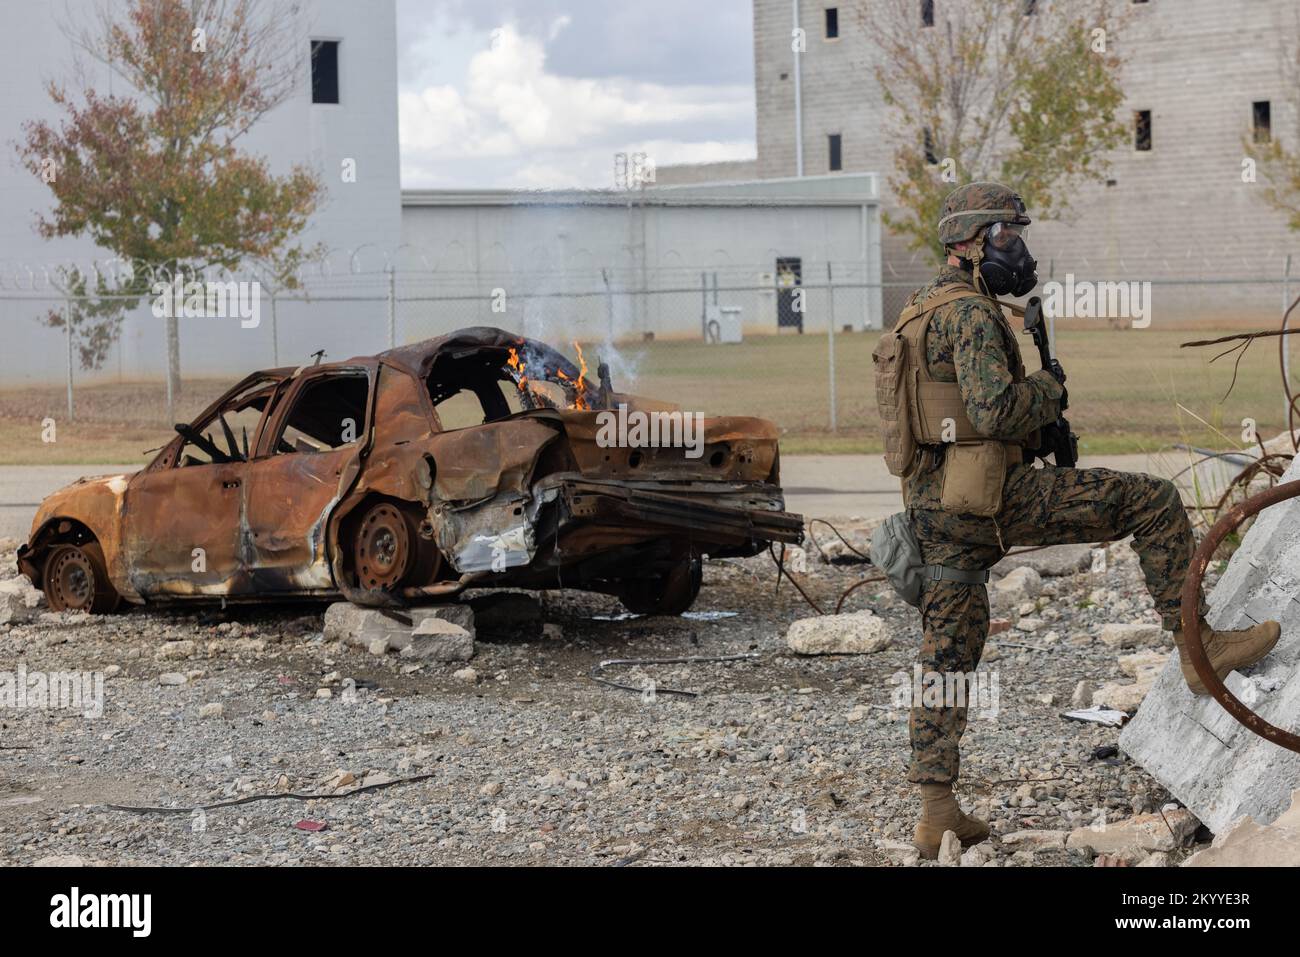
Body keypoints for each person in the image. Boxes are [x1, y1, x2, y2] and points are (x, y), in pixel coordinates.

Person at [891, 181, 1282, 859]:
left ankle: (936, 810)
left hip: (934, 511)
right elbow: (994, 412)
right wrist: (1049, 390)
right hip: (994, 502)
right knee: (1153, 499)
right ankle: (1199, 646)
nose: (1019, 247)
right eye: (1007, 234)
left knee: (947, 656)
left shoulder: (918, 310)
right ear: (972, 241)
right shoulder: (975, 317)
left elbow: (950, 416)